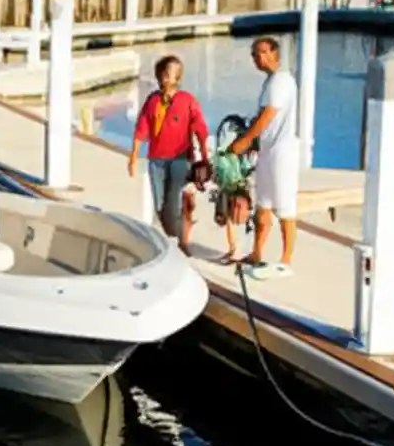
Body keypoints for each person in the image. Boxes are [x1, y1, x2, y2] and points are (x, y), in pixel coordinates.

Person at [229, 37, 299, 279]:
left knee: (285, 208)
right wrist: (255, 143)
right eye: (255, 55)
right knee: (263, 204)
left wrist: (245, 140)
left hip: (283, 152)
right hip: (268, 151)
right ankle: (257, 253)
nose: (259, 58)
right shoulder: (270, 82)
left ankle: (286, 260)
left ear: (275, 53)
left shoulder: (281, 80)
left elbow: (268, 115)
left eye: (263, 53)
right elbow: (262, 117)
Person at [128, 55, 210, 255]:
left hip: (180, 158)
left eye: (170, 75)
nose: (165, 78)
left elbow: (200, 129)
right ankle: (174, 236)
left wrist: (205, 158)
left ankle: (181, 242)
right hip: (156, 159)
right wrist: (133, 156)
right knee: (159, 204)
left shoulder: (187, 101)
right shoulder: (153, 100)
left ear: (178, 78)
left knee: (173, 202)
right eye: (163, 74)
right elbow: (142, 128)